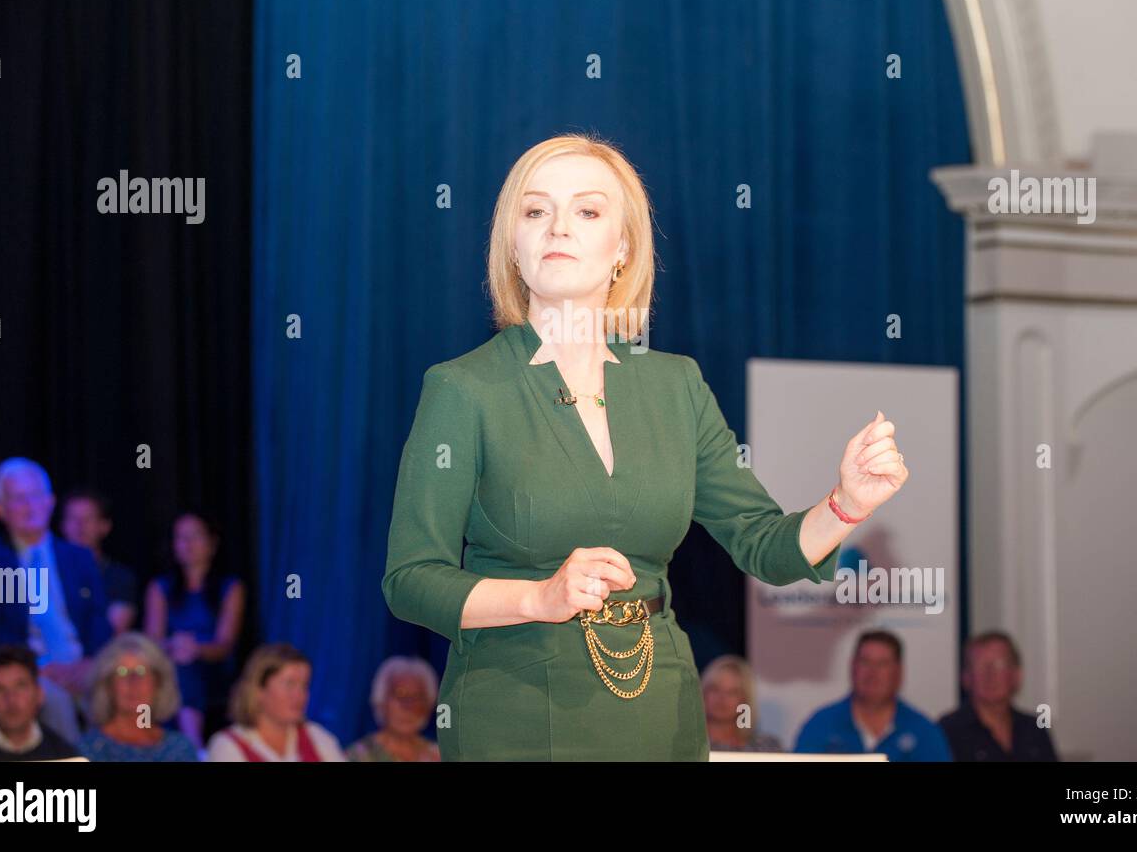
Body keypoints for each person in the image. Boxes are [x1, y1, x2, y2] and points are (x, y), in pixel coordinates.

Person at [382, 134, 910, 760]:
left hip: (661, 706)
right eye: (534, 211)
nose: (557, 228)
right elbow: (411, 579)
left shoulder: (675, 384)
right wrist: (539, 596)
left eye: (587, 210)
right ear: (513, 246)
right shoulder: (463, 388)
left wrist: (846, 503)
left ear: (623, 247)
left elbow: (764, 544)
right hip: (516, 713)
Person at [0, 458, 108, 742]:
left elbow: (98, 621)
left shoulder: (78, 556)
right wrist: (36, 668)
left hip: (84, 665)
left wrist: (87, 663)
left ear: (51, 502)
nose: (30, 505)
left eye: (36, 495)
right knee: (55, 702)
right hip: (29, 669)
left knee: (125, 693)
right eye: (19, 498)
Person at [144, 511, 244, 750]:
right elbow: (151, 642)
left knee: (186, 667)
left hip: (214, 669)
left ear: (212, 543)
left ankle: (191, 746)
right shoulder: (160, 587)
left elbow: (225, 643)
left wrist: (196, 649)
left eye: (195, 536)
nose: (188, 544)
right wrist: (175, 646)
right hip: (170, 665)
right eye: (181, 537)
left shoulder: (230, 587)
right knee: (177, 668)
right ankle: (193, 746)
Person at [793, 631, 951, 761]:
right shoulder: (821, 725)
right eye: (865, 662)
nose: (872, 673)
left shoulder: (922, 731)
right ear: (852, 667)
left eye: (882, 664)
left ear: (899, 672)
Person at [206, 643, 344, 761]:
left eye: (305, 685)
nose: (300, 695)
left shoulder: (317, 737)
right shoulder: (227, 746)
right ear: (259, 689)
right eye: (290, 684)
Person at [939, 631, 1059, 761]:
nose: (990, 675)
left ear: (1016, 675)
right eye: (980, 666)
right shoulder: (947, 733)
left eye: (999, 665)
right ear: (965, 677)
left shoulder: (1034, 730)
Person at [76, 632, 198, 761]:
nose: (133, 682)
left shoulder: (180, 749)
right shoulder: (87, 751)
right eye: (122, 672)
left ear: (158, 682)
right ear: (108, 685)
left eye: (141, 671)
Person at [60, 489, 138, 635]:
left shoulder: (119, 578)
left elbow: (112, 632)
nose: (80, 525)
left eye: (88, 519)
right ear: (63, 525)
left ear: (104, 526)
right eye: (72, 518)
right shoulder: (47, 574)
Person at [346, 656, 440, 761]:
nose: (408, 706)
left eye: (416, 697)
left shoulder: (440, 754)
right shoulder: (358, 755)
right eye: (400, 694)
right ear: (381, 701)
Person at [701, 654, 785, 752]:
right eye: (715, 689)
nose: (722, 698)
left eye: (733, 692)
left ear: (745, 699)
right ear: (703, 693)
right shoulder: (686, 746)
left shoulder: (767, 747)